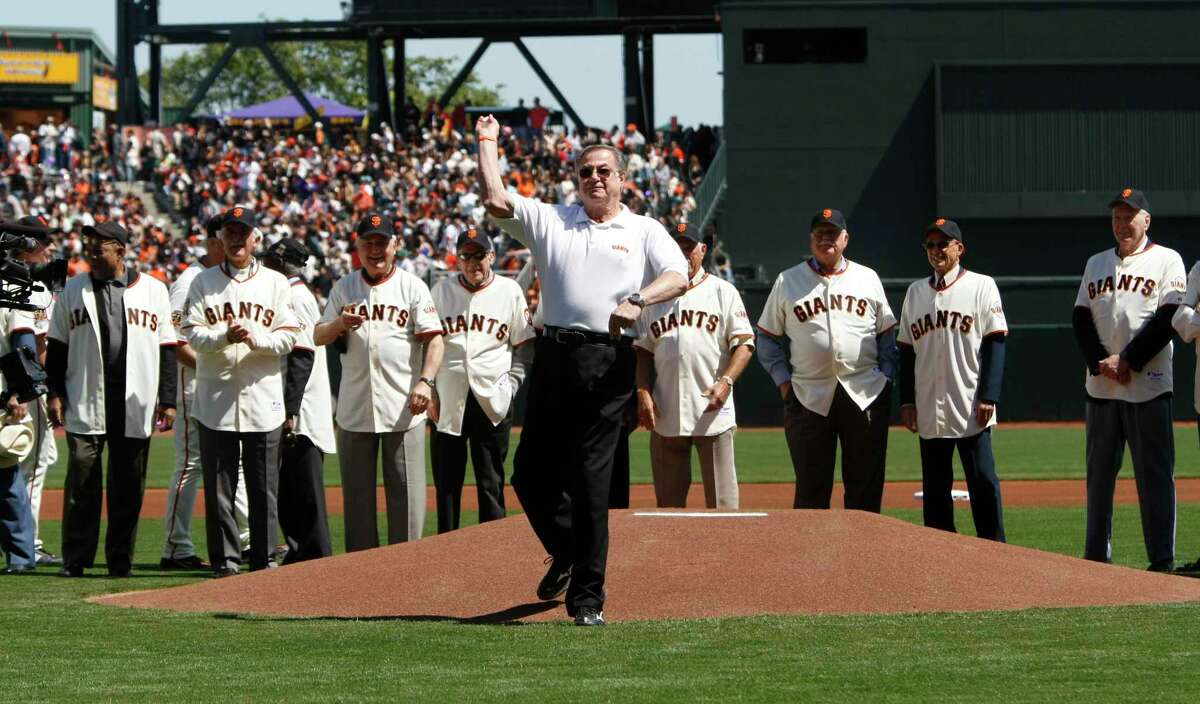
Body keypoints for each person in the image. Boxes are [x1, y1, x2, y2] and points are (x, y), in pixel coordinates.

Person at [478, 113, 688, 627]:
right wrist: (487, 142)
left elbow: (678, 275)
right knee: (528, 473)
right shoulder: (554, 219)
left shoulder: (643, 228)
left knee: (593, 481)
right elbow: (497, 200)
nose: (594, 177)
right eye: (586, 171)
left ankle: (588, 600)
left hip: (608, 358)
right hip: (555, 356)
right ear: (577, 180)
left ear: (622, 180)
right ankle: (568, 551)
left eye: (604, 171)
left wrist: (640, 298)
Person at [47, 221, 177, 577]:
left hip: (134, 400)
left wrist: (168, 399)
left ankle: (120, 560)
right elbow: (57, 347)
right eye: (89, 246)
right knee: (82, 483)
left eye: (99, 247)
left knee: (128, 487)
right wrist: (53, 392)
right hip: (85, 395)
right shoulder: (73, 289)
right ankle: (76, 559)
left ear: (120, 250)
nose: (91, 253)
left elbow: (168, 349)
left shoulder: (153, 289)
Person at [313, 213, 444, 551]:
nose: (375, 249)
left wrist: (426, 382)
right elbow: (318, 335)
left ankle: (407, 570)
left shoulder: (412, 285)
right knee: (357, 503)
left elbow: (435, 339)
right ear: (357, 247)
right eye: (368, 242)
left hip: (404, 405)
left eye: (381, 242)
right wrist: (340, 323)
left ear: (395, 246)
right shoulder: (344, 286)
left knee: (408, 500)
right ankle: (360, 578)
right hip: (356, 405)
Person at [182, 206, 301, 577]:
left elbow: (290, 335)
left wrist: (256, 339)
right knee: (219, 488)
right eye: (230, 232)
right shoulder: (203, 282)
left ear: (255, 239)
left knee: (264, 487)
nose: (236, 238)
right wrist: (223, 337)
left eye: (243, 232)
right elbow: (191, 331)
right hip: (215, 400)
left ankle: (264, 560)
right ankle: (225, 562)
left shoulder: (276, 283)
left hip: (262, 398)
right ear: (221, 239)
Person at [755, 208, 898, 512]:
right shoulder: (788, 280)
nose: (825, 239)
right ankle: (809, 558)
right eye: (819, 233)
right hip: (808, 395)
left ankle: (863, 557)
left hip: (864, 392)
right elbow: (766, 337)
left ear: (845, 239)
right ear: (811, 239)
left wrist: (886, 378)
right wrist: (783, 380)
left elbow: (888, 334)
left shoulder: (866, 277)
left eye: (832, 233)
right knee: (810, 491)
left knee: (865, 489)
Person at [1073, 188, 1184, 572]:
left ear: (1146, 221)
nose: (1123, 224)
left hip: (1149, 384)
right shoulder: (1096, 263)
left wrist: (1128, 360)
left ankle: (1162, 558)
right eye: (1117, 218)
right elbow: (1081, 319)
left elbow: (1168, 316)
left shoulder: (1167, 260)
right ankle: (1095, 555)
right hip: (1102, 386)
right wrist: (1100, 362)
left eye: (1130, 217)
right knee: (1099, 477)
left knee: (1153, 475)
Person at [897, 218, 1007, 541]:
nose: (936, 250)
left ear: (959, 248)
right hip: (930, 402)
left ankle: (996, 549)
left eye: (943, 243)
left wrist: (989, 395)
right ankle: (939, 552)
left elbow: (996, 342)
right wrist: (906, 400)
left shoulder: (982, 285)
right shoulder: (916, 292)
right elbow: (906, 352)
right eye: (930, 245)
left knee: (983, 480)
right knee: (934, 487)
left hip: (970, 401)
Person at [635, 223, 754, 509]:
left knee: (724, 507)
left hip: (712, 412)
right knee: (668, 507)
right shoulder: (652, 296)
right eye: (676, 246)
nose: (682, 252)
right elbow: (641, 351)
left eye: (689, 246)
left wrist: (726, 382)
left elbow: (745, 344)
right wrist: (642, 392)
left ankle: (726, 556)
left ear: (703, 249)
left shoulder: (722, 291)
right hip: (667, 412)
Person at [429, 228, 535, 533]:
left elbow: (524, 345)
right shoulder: (441, 291)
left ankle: (492, 554)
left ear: (491, 256)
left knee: (491, 482)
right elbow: (425, 344)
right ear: (458, 259)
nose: (473, 262)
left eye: (479, 255)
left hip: (492, 399)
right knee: (447, 485)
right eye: (466, 256)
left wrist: (512, 385)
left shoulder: (509, 290)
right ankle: (445, 550)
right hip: (449, 399)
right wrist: (431, 388)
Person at [159, 214, 250, 570]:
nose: (230, 243)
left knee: (234, 462)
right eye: (224, 237)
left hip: (222, 382)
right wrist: (217, 367)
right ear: (212, 242)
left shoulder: (226, 278)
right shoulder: (190, 281)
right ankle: (174, 546)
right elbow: (177, 342)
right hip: (195, 383)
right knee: (191, 463)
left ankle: (245, 540)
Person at [262, 237, 334, 563]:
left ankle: (315, 555)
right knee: (290, 487)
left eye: (272, 259)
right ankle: (299, 552)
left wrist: (291, 409)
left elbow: (301, 357)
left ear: (284, 262)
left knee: (305, 488)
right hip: (292, 403)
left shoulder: (296, 296)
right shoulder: (287, 292)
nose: (265, 263)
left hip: (302, 407)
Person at [9, 216, 61, 566]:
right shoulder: (30, 286)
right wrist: (37, 390)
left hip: (12, 384)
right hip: (21, 386)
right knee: (34, 461)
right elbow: (32, 345)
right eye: (43, 243)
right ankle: (30, 543)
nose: (51, 248)